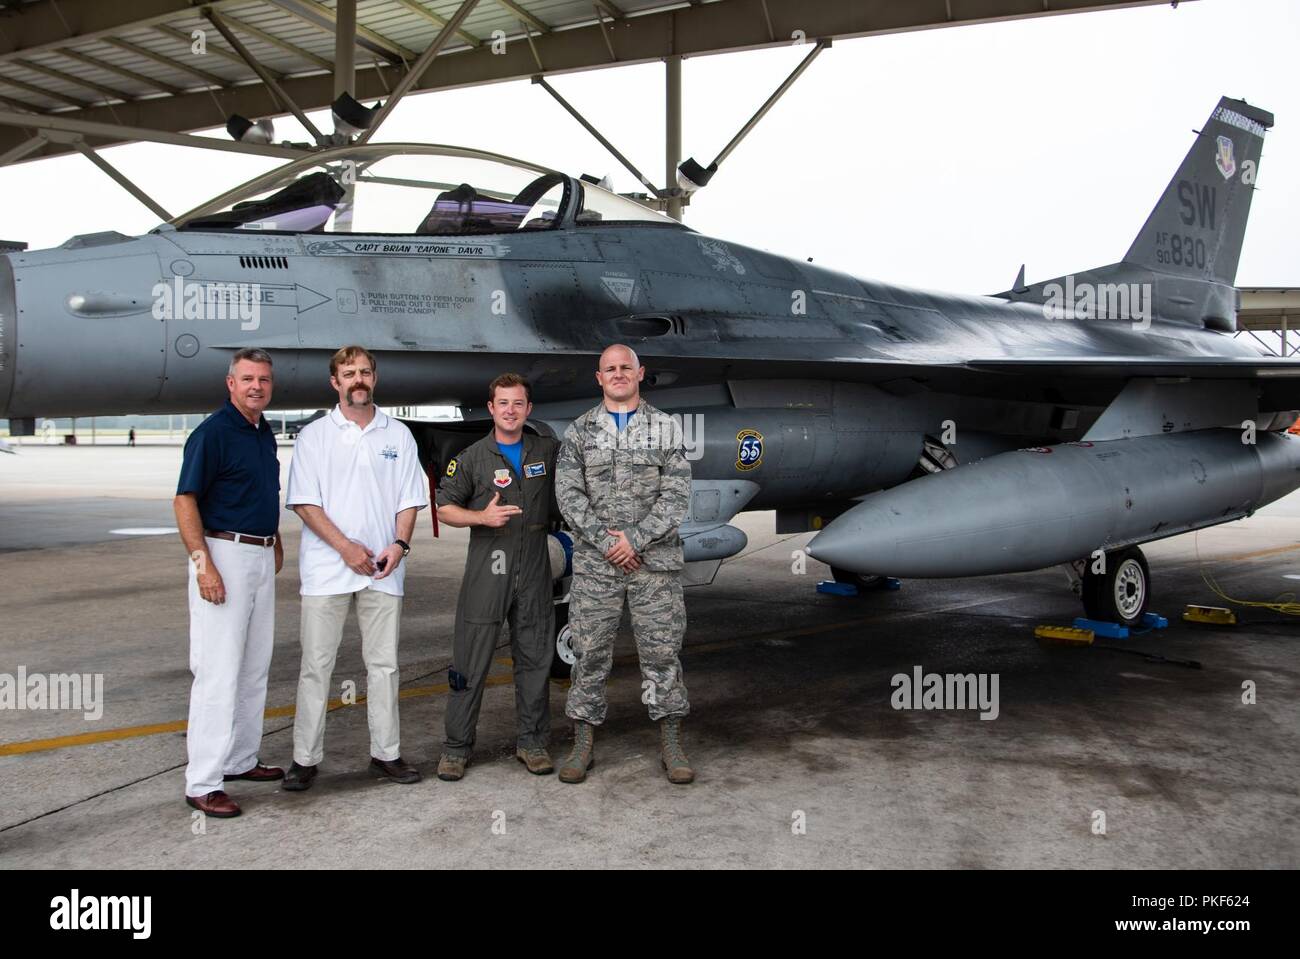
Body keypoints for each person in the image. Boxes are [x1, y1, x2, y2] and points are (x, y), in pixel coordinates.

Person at [282, 346, 428, 790]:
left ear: (374, 379)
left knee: (383, 665)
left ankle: (387, 753)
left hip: (384, 570)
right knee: (316, 665)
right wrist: (345, 548)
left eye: (365, 372)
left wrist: (399, 545)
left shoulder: (398, 434)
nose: (358, 379)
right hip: (327, 570)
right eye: (349, 373)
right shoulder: (314, 436)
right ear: (335, 382)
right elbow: (305, 503)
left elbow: (409, 498)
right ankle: (305, 760)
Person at [554, 344, 694, 784]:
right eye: (609, 369)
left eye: (625, 368)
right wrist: (605, 542)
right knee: (590, 652)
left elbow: (676, 496)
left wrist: (635, 539)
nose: (617, 374)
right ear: (599, 378)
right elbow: (568, 496)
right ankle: (583, 741)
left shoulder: (665, 428)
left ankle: (671, 742)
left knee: (662, 652)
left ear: (639, 374)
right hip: (598, 567)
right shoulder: (580, 431)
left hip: (654, 565)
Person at [173, 348, 284, 818]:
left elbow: (258, 491)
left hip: (258, 554)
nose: (256, 386)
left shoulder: (264, 434)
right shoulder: (212, 433)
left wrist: (273, 540)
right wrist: (204, 564)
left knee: (255, 666)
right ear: (230, 383)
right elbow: (184, 501)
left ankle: (241, 759)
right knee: (218, 672)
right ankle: (203, 780)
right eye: (247, 379)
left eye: (263, 379)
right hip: (223, 554)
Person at [434, 373, 560, 780]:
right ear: (491, 408)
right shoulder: (472, 457)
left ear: (528, 409)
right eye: (502, 403)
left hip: (536, 565)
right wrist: (481, 517)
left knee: (536, 656)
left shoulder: (548, 450)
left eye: (518, 403)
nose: (510, 410)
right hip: (490, 565)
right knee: (471, 657)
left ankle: (533, 742)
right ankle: (456, 748)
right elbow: (444, 508)